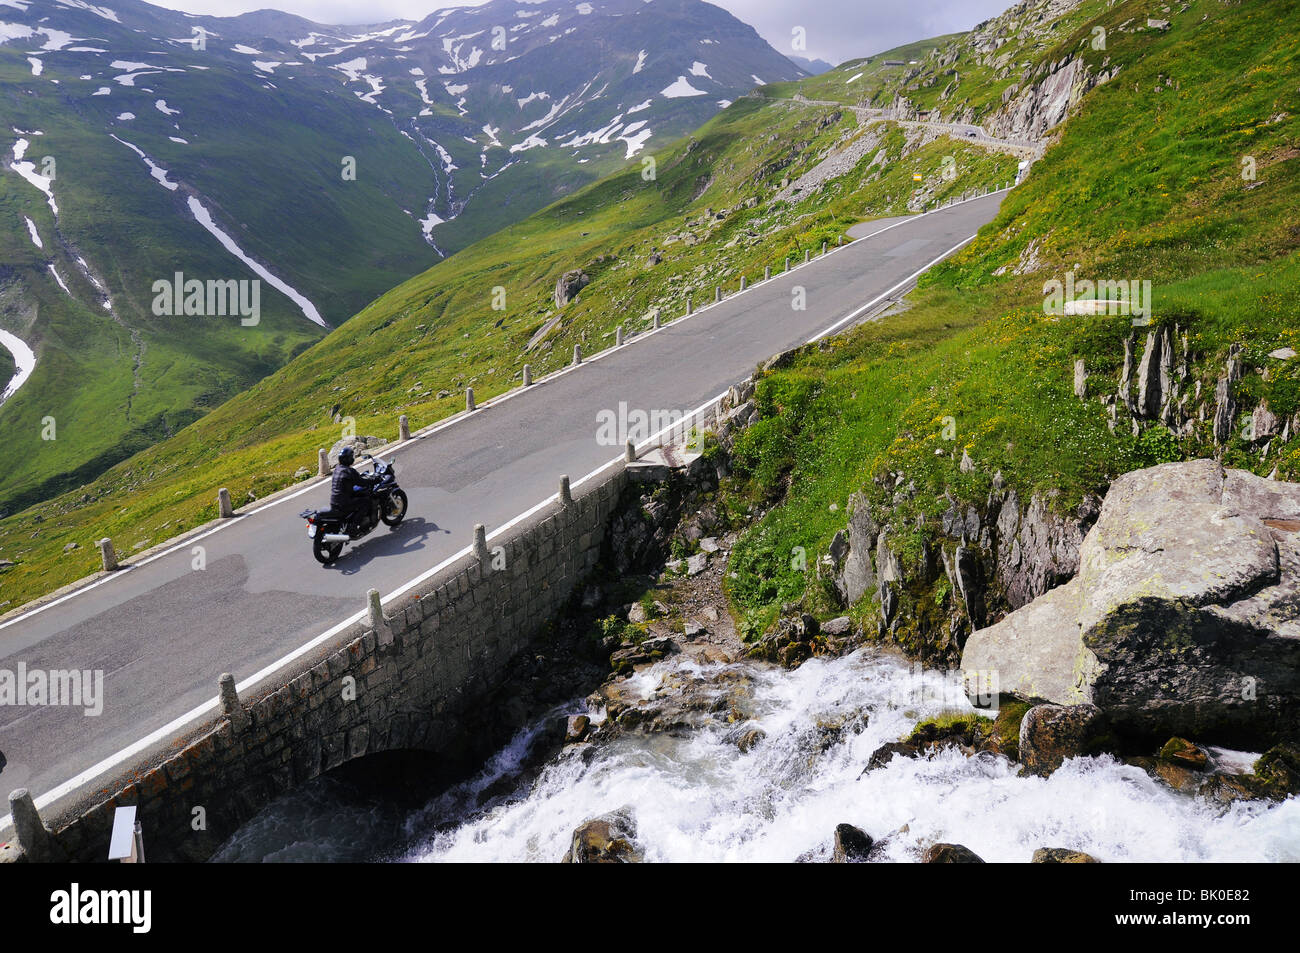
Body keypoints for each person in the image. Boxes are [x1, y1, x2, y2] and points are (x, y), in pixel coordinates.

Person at [330, 446, 373, 532]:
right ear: (348, 459)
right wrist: (374, 480)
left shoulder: (337, 469)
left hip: (334, 501)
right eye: (351, 457)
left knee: (358, 495)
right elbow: (362, 482)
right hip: (344, 502)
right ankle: (353, 527)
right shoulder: (349, 471)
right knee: (366, 502)